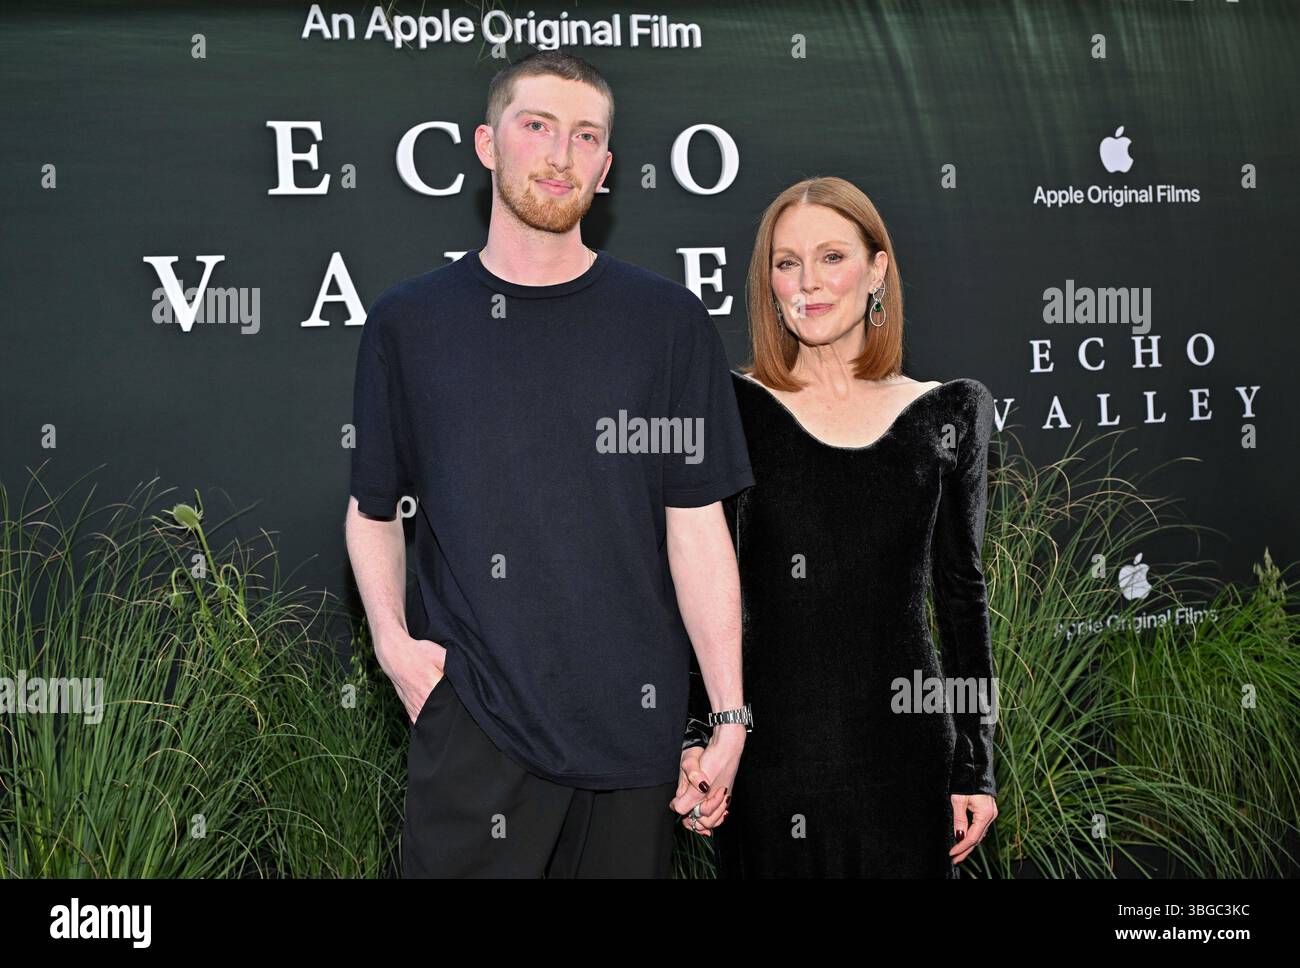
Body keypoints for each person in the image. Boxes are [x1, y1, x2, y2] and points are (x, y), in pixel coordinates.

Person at [343, 49, 753, 877]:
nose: (561, 154)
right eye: (537, 127)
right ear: (487, 143)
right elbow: (372, 508)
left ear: (606, 167)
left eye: (585, 136)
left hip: (630, 744)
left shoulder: (666, 323)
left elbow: (697, 526)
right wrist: (393, 643)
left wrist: (729, 715)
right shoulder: (409, 324)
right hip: (475, 733)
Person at [672, 176, 1000, 877]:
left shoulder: (950, 413)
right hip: (769, 760)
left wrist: (976, 766)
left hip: (908, 759)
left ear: (878, 269)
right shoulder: (731, 408)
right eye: (786, 263)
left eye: (831, 258)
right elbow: (702, 586)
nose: (806, 283)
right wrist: (698, 737)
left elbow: (961, 595)